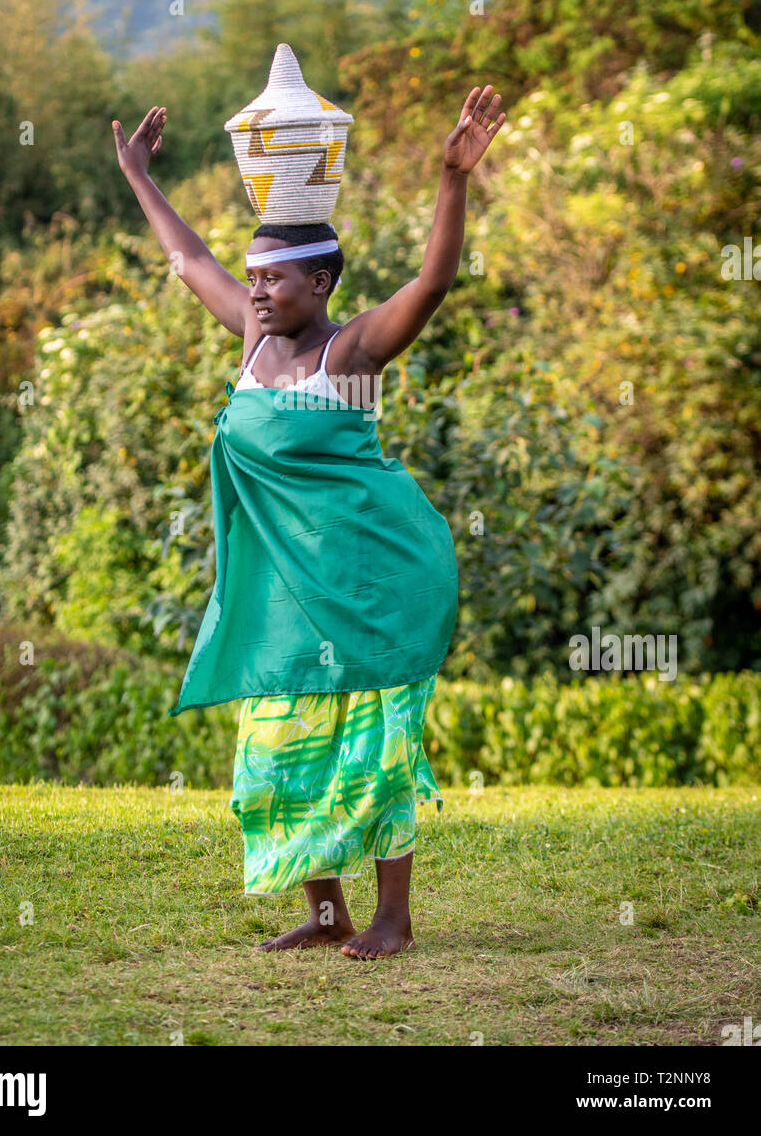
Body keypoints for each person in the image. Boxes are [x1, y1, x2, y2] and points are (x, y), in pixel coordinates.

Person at [112, 74, 505, 958]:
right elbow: (189, 263)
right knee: (277, 754)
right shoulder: (253, 347)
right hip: (285, 595)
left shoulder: (351, 353)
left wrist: (453, 178)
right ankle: (326, 911)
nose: (255, 291)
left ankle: (393, 917)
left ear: (322, 281)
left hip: (363, 580)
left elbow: (434, 283)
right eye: (252, 277)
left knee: (372, 753)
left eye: (276, 279)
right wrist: (139, 175)